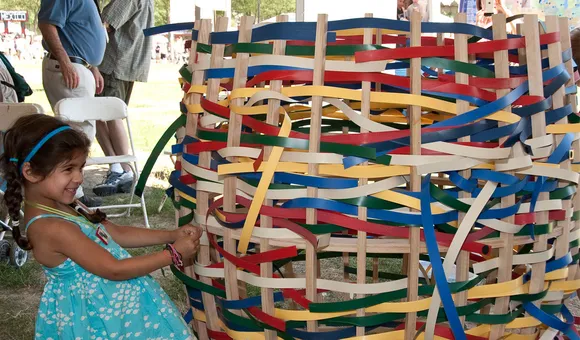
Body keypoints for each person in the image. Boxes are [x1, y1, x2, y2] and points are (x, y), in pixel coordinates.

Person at [0, 114, 200, 339]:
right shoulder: (51, 227)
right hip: (97, 318)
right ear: (31, 172)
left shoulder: (64, 204)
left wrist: (171, 235)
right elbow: (113, 269)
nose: (78, 178)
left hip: (116, 309)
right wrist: (172, 255)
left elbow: (114, 233)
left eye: (81, 167)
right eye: (68, 169)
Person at [37, 0, 107, 207]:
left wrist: (91, 66)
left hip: (78, 66)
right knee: (76, 135)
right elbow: (47, 23)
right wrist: (67, 61)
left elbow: (78, 31)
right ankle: (71, 194)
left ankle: (73, 192)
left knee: (82, 133)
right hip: (68, 67)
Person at [93, 0, 154, 197]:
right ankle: (118, 167)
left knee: (105, 116)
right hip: (126, 65)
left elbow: (103, 25)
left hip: (114, 64)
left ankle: (123, 170)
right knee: (103, 115)